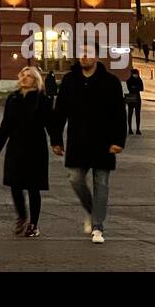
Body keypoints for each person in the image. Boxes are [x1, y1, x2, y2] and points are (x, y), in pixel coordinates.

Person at [51, 53, 125, 244]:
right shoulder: (69, 81)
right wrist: (56, 139)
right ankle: (93, 212)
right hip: (78, 141)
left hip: (104, 142)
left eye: (88, 52)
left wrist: (119, 141)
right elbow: (60, 112)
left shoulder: (111, 81)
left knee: (102, 183)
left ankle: (98, 227)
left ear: (96, 57)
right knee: (75, 178)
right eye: (81, 53)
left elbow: (119, 113)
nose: (84, 56)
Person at [0, 65, 56, 237]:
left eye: (29, 76)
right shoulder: (13, 98)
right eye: (23, 75)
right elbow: (6, 126)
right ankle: (22, 216)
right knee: (14, 184)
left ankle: (34, 224)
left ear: (36, 80)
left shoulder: (42, 99)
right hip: (16, 147)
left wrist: (56, 143)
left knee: (34, 188)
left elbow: (50, 124)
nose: (25, 78)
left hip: (35, 148)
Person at [125, 68, 144, 135]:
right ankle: (130, 129)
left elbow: (142, 88)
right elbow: (130, 88)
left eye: (137, 74)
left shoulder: (139, 80)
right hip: (131, 96)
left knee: (137, 114)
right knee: (130, 114)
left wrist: (135, 87)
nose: (136, 75)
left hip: (137, 97)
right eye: (135, 74)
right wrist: (136, 88)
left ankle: (138, 129)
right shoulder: (129, 80)